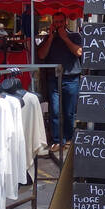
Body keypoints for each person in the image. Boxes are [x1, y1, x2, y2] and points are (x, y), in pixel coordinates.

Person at [37, 13, 82, 151]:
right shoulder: (49, 38)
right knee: (55, 110)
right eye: (55, 22)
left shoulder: (75, 36)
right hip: (54, 78)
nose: (58, 24)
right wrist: (50, 38)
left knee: (69, 111)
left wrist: (65, 38)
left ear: (66, 22)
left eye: (60, 22)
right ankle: (57, 140)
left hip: (71, 77)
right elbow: (41, 55)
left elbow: (79, 52)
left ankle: (68, 138)